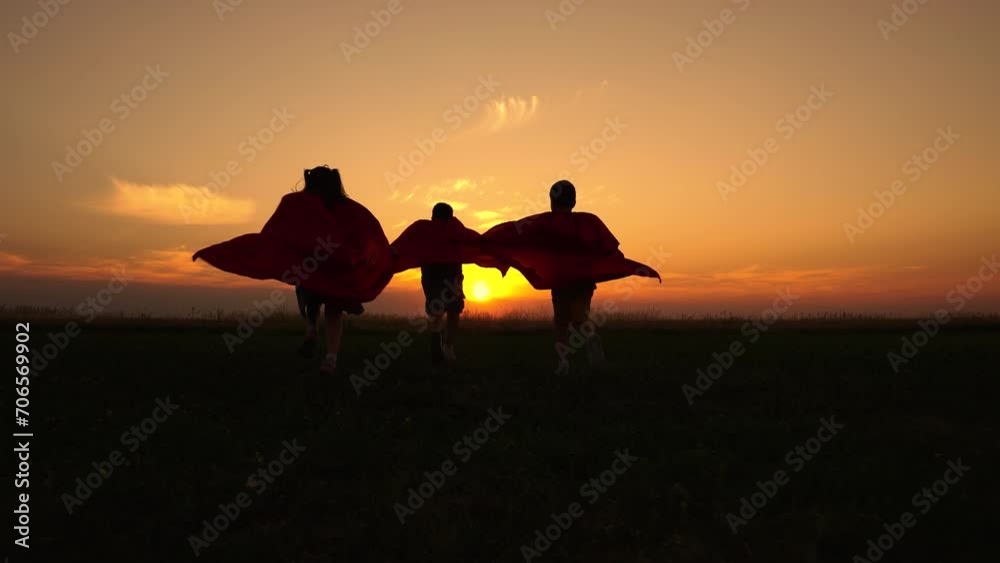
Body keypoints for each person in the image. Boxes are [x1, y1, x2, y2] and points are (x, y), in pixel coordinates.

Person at [194, 166, 395, 376]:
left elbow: (279, 230)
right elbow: (368, 235)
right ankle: (330, 358)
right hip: (336, 269)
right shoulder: (347, 208)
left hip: (312, 266)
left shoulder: (302, 204)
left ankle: (311, 331)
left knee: (309, 297)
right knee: (334, 309)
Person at [482, 180, 661, 375]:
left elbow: (516, 231)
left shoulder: (544, 222)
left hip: (560, 280)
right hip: (581, 281)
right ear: (574, 201)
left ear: (551, 201)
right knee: (577, 319)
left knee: (562, 321)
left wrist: (485, 243)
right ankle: (583, 345)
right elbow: (609, 247)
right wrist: (616, 263)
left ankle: (564, 360)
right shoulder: (589, 222)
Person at [391, 203, 506, 366]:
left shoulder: (423, 228)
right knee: (453, 310)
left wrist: (390, 253)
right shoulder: (457, 230)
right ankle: (447, 346)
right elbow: (478, 241)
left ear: (432, 216)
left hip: (433, 274)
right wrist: (501, 252)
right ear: (451, 216)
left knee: (437, 308)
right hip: (452, 276)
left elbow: (404, 241)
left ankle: (437, 337)